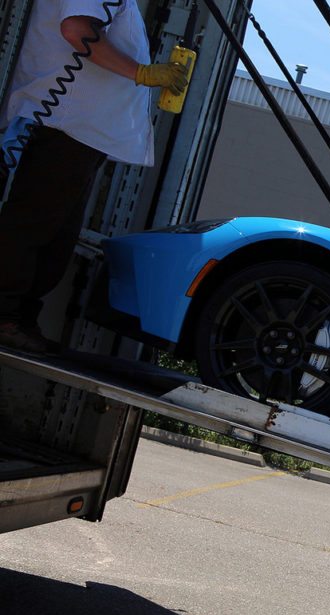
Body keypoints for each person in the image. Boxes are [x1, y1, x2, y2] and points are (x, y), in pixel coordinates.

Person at [0, 0, 188, 355]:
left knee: (54, 234)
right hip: (67, 121)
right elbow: (77, 29)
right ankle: (6, 317)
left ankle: (18, 318)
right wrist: (141, 73)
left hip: (79, 128)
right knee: (34, 225)